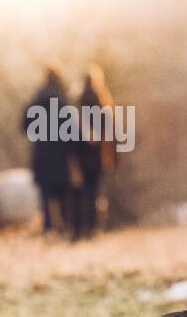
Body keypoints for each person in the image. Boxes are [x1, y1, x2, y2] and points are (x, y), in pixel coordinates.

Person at [23, 65, 77, 234]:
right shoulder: (64, 102)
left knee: (45, 195)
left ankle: (48, 228)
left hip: (42, 154)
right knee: (64, 194)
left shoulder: (36, 101)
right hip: (61, 155)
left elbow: (24, 125)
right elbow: (73, 133)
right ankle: (66, 228)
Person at [72, 64, 117, 239]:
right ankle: (93, 229)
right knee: (95, 193)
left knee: (81, 194)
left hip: (81, 157)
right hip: (98, 157)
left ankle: (80, 229)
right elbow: (111, 134)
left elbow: (72, 135)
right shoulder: (103, 103)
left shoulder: (77, 105)